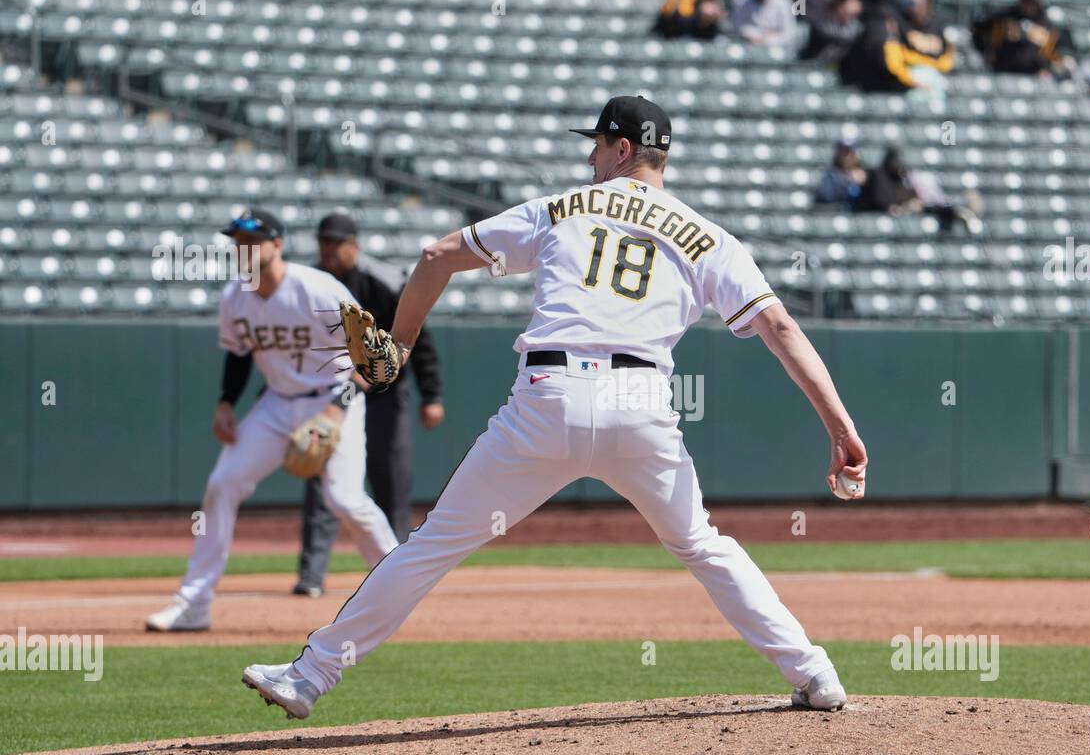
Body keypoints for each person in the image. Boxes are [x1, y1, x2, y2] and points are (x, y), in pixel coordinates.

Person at [241, 95, 868, 719]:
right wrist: (840, 427)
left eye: (597, 144)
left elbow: (435, 257)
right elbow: (780, 326)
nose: (590, 156)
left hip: (548, 399)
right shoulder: (707, 235)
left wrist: (399, 346)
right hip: (641, 406)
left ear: (624, 150)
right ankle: (813, 672)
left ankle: (310, 675)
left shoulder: (559, 208)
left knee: (432, 545)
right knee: (703, 545)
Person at [146, 208, 398, 632]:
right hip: (277, 404)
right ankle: (193, 604)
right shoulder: (235, 297)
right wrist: (225, 403)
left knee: (344, 498)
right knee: (222, 485)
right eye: (237, 242)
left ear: (276, 245)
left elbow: (373, 361)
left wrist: (337, 410)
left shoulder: (319, 291)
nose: (242, 249)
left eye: (251, 242)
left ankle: (399, 583)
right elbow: (240, 352)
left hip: (334, 398)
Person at [292, 212, 445, 598]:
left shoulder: (383, 282)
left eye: (335, 242)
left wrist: (433, 395)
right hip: (333, 398)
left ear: (354, 245)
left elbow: (416, 339)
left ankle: (395, 572)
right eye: (323, 242)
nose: (328, 249)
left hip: (385, 396)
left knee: (389, 480)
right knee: (324, 481)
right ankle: (311, 575)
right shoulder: (311, 285)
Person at [839, 0, 954, 95]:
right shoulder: (895, 22)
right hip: (901, 83)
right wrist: (914, 81)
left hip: (931, 76)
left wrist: (926, 66)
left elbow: (947, 61)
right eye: (909, 2)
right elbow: (893, 65)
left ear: (927, 4)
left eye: (917, 3)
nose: (913, 7)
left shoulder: (938, 26)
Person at [859, 147, 982, 232]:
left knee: (931, 205)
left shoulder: (904, 177)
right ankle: (956, 210)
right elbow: (883, 199)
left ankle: (957, 210)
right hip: (903, 209)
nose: (899, 166)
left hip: (918, 205)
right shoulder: (880, 176)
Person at [971, 0, 1071, 77]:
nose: (1027, 6)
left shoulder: (1046, 23)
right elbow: (977, 30)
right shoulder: (1005, 16)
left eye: (1031, 2)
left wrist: (1047, 68)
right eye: (1025, 1)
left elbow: (1055, 50)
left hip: (1034, 74)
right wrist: (985, 52)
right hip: (1003, 70)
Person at [799, 0, 863, 65]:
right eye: (847, 12)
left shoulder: (855, 26)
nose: (850, 17)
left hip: (837, 67)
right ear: (839, 6)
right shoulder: (822, 19)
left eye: (854, 15)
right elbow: (824, 32)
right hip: (812, 62)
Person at [813, 138, 869, 208]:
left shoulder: (866, 174)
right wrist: (848, 181)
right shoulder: (829, 175)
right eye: (845, 152)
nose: (848, 156)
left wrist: (865, 184)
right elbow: (827, 196)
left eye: (851, 152)